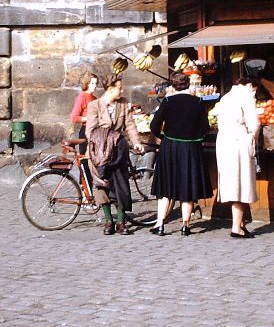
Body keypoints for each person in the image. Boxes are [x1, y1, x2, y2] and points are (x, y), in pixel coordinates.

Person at [148, 71, 212, 236]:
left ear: (172, 85)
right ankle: (185, 225)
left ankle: (160, 224)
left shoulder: (168, 101)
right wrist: (196, 136)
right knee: (188, 185)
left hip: (170, 147)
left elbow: (154, 124)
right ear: (188, 84)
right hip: (191, 148)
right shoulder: (198, 102)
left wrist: (162, 136)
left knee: (166, 186)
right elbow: (205, 127)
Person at [85, 74, 144, 235]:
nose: (122, 90)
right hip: (99, 153)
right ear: (110, 89)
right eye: (119, 88)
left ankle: (121, 221)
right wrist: (104, 143)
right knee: (102, 186)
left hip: (118, 152)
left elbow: (129, 125)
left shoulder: (123, 104)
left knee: (121, 186)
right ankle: (108, 221)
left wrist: (136, 141)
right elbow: (89, 132)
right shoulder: (94, 105)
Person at [215, 77, 260, 238]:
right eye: (254, 89)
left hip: (223, 141)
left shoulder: (225, 97)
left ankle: (241, 224)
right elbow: (254, 123)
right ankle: (236, 227)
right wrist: (252, 139)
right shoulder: (246, 96)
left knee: (232, 182)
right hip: (239, 140)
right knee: (241, 184)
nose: (254, 93)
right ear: (249, 85)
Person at [70, 72, 99, 186]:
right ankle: (85, 191)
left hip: (95, 131)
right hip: (85, 131)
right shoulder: (82, 97)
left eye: (96, 83)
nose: (94, 86)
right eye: (92, 83)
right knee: (85, 162)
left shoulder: (94, 98)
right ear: (86, 83)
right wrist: (89, 118)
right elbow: (74, 117)